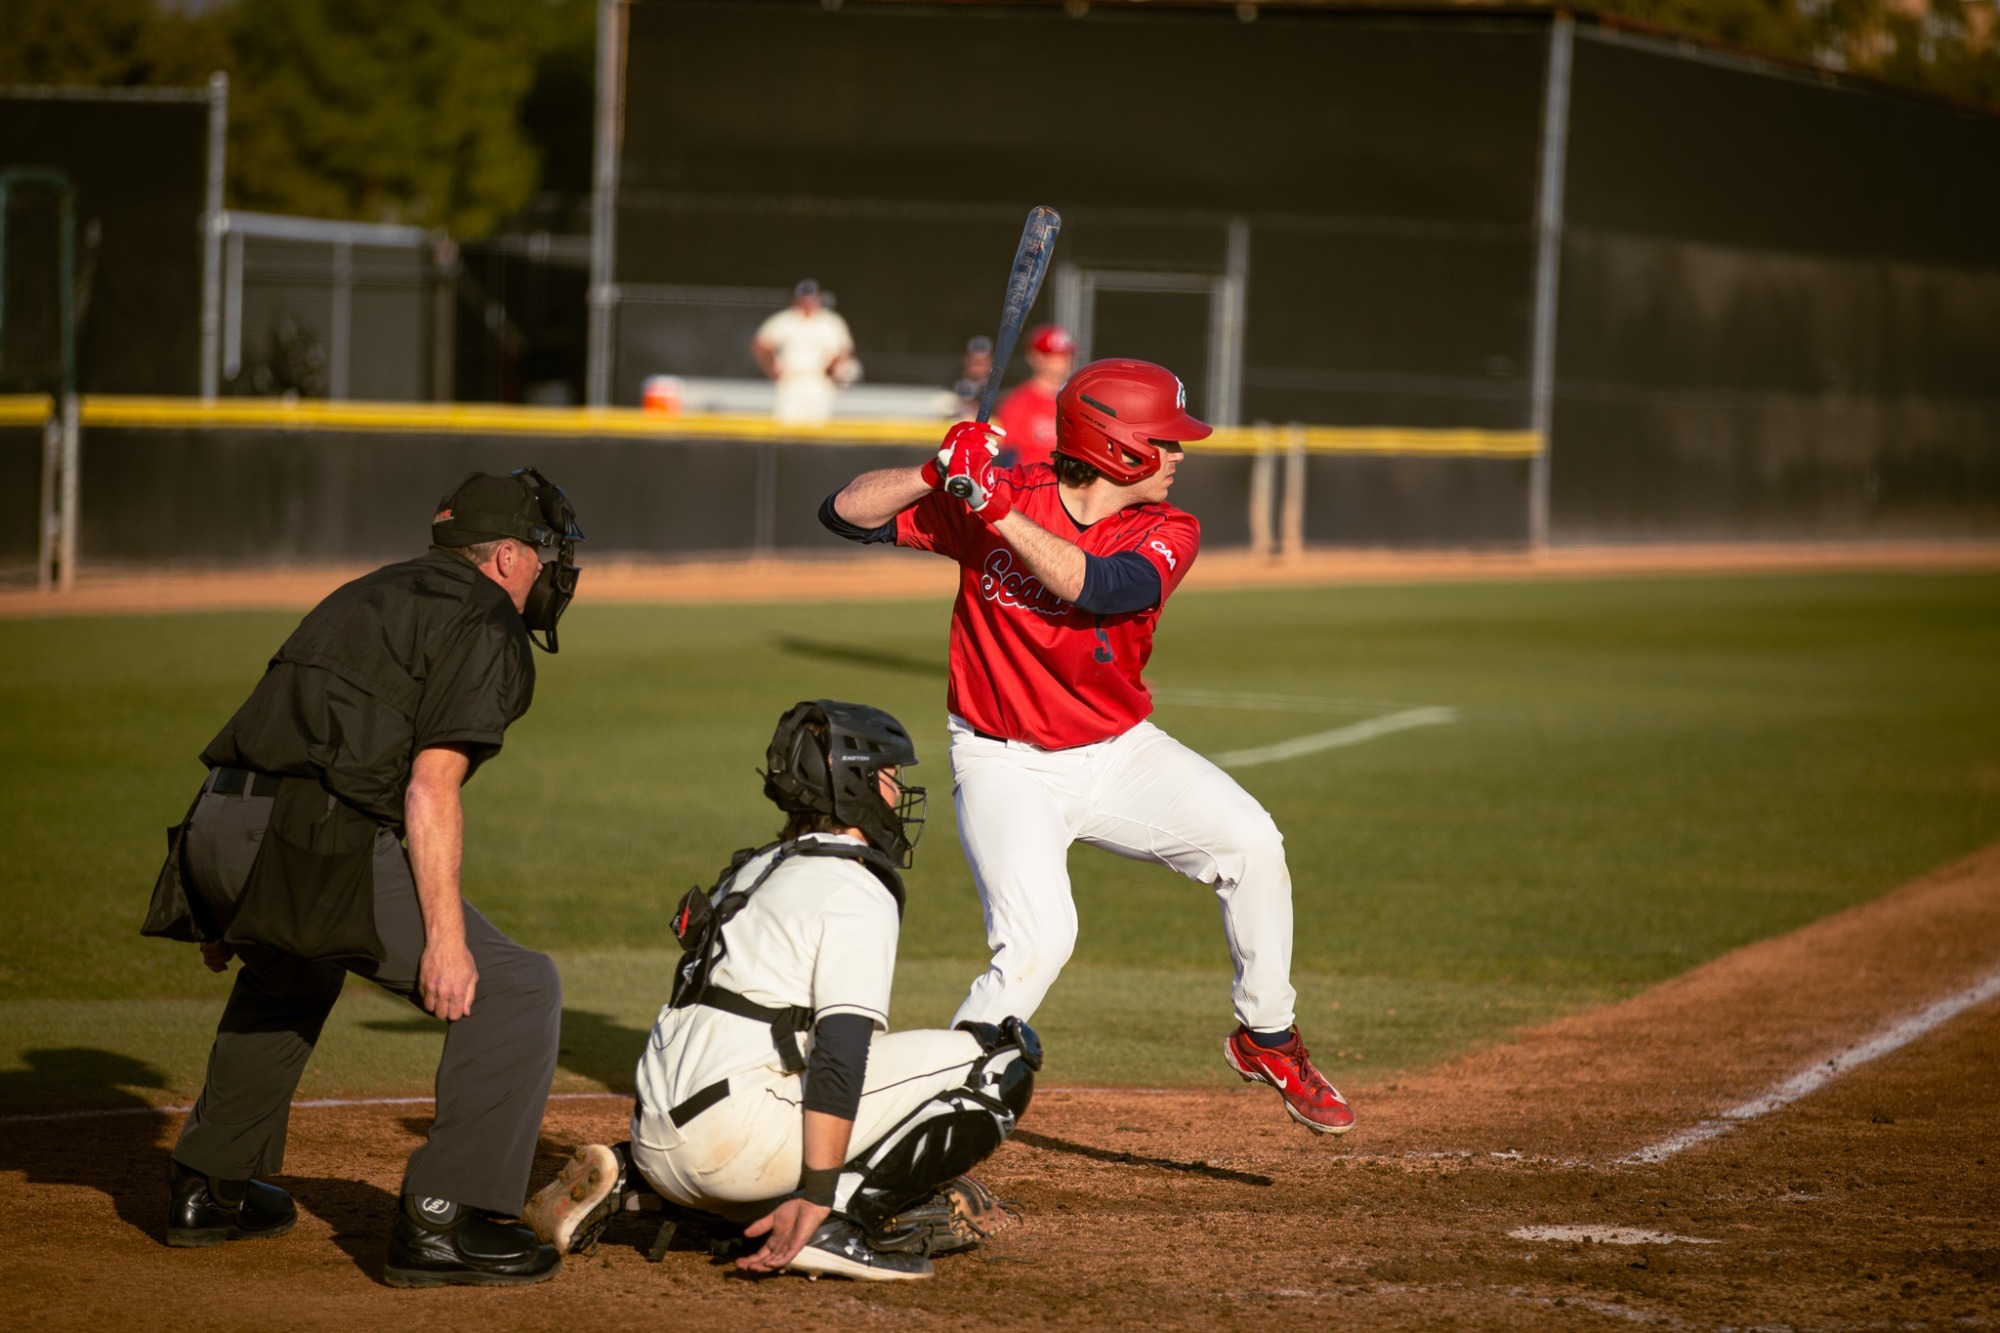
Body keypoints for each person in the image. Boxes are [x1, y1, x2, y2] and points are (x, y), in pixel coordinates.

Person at [817, 359, 1355, 1136]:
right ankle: (924, 1116)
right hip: (1003, 761)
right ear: (1117, 447)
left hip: (1119, 751)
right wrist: (932, 470)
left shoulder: (1168, 528)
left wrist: (993, 508)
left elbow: (1101, 587)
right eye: (1165, 440)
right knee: (1039, 940)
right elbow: (843, 512)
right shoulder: (1006, 491)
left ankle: (1266, 1036)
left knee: (1252, 842)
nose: (1179, 454)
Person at [140, 468, 587, 1286]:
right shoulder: (484, 618)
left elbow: (266, 729)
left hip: (217, 820)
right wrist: (445, 942)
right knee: (517, 988)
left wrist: (223, 893)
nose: (549, 569)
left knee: (292, 964)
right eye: (542, 552)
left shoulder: (367, 590)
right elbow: (430, 786)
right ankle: (444, 1220)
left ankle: (210, 1186)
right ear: (505, 557)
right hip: (309, 839)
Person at [523, 700, 1038, 1282]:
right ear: (856, 783)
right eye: (891, 776)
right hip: (732, 1145)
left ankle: (640, 1183)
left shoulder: (753, 868)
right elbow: (840, 1055)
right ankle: (836, 1221)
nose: (899, 793)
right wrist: (819, 1193)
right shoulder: (853, 886)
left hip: (656, 1134)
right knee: (1001, 1059)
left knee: (774, 1049)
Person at [753, 279, 857, 425]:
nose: (807, 302)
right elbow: (761, 344)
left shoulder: (831, 322)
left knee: (818, 427)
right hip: (791, 381)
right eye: (804, 298)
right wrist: (772, 369)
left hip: (820, 382)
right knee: (785, 428)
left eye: (811, 298)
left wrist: (834, 367)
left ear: (818, 299)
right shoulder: (786, 320)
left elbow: (845, 350)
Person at [989, 323, 1075, 468]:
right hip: (1034, 479)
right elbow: (1008, 455)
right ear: (1035, 357)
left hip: (1073, 478)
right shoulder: (1017, 402)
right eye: (1055, 355)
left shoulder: (1078, 399)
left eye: (1067, 354)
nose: (1064, 361)